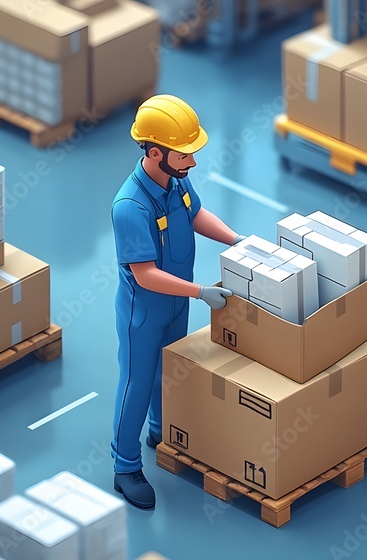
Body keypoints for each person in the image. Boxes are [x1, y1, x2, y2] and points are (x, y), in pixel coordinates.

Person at [110, 95, 243, 510]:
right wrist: (202, 292)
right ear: (155, 152)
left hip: (175, 305)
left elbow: (196, 215)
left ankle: (159, 428)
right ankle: (125, 465)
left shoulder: (177, 182)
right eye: (185, 154)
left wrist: (237, 242)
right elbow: (145, 274)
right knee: (136, 383)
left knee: (167, 373)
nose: (193, 163)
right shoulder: (130, 206)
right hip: (144, 313)